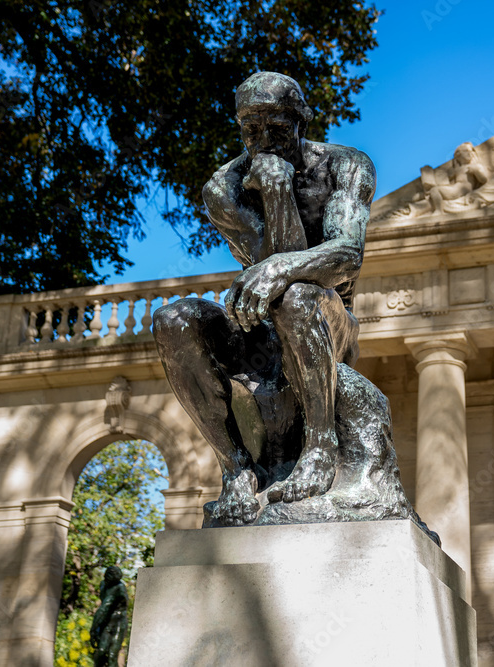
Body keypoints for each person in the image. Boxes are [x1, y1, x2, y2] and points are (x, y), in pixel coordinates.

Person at [152, 72, 376, 526]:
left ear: (302, 120)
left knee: (294, 296)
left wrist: (278, 204)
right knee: (172, 319)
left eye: (275, 126)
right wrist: (273, 193)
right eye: (250, 129)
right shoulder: (223, 188)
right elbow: (263, 263)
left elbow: (346, 255)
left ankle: (319, 447)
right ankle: (236, 468)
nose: (262, 140)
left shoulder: (346, 166)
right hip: (261, 321)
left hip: (329, 319)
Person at [91, 566, 128, 667]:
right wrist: (95, 630)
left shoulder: (119, 588)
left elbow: (104, 608)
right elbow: (103, 608)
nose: (107, 581)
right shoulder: (103, 584)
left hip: (119, 622)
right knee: (101, 651)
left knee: (112, 655)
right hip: (107, 620)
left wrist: (93, 630)